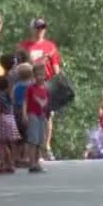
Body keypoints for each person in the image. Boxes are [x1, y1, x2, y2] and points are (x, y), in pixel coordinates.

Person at [19, 18, 62, 159]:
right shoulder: (24, 45)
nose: (40, 30)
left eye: (43, 27)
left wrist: (58, 83)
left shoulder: (50, 46)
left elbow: (56, 68)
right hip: (30, 84)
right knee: (32, 114)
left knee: (47, 115)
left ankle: (46, 145)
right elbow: (20, 65)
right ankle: (31, 148)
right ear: (32, 28)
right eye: (38, 27)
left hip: (46, 84)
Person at [24, 66, 50, 173]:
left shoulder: (46, 89)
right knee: (33, 139)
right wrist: (24, 114)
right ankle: (32, 163)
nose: (40, 77)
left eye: (42, 75)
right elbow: (25, 102)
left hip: (42, 115)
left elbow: (47, 103)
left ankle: (37, 162)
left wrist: (47, 114)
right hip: (33, 114)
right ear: (34, 76)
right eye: (38, 75)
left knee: (40, 139)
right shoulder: (31, 88)